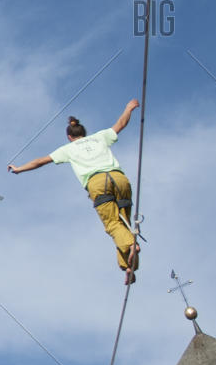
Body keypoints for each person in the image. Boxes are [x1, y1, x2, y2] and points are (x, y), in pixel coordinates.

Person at [9, 100, 141, 282]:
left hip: (97, 182)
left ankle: (130, 248)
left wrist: (19, 169)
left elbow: (40, 161)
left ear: (70, 137)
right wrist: (129, 108)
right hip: (120, 179)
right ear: (83, 132)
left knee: (112, 224)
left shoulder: (68, 149)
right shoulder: (100, 137)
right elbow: (121, 124)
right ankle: (128, 267)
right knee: (123, 223)